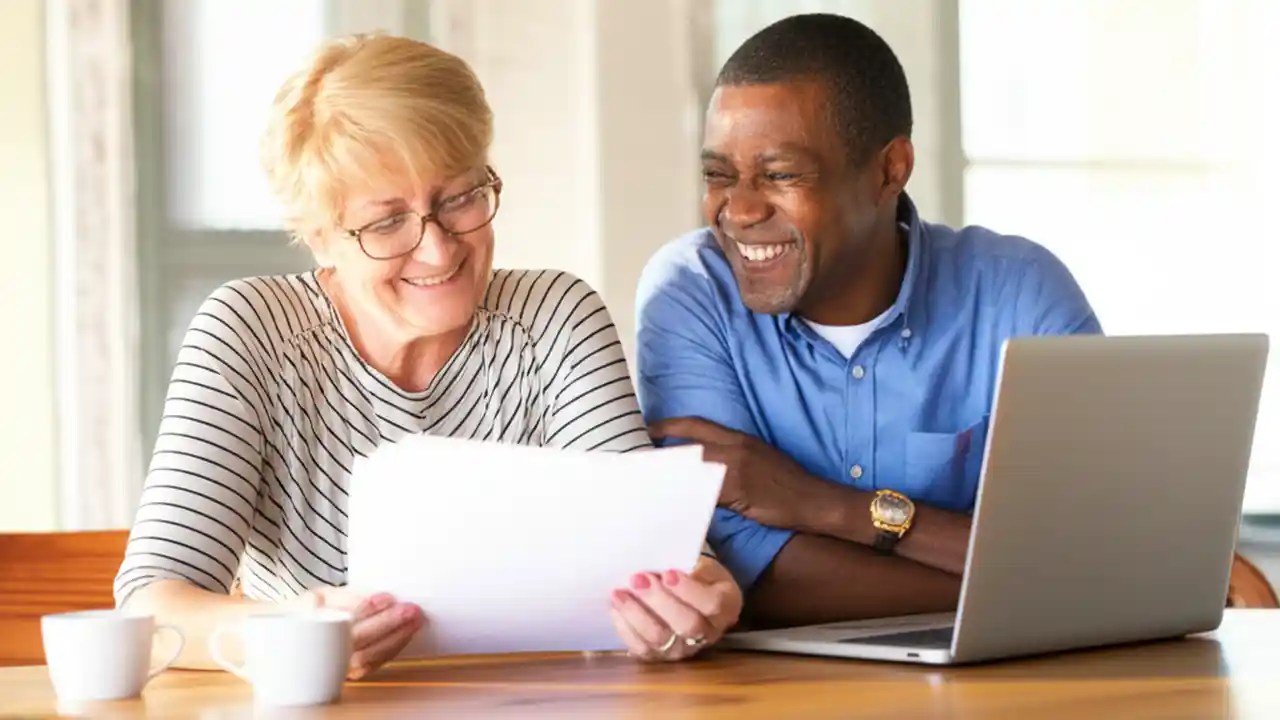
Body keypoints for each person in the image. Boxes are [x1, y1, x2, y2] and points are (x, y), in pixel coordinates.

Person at [114, 33, 741, 678]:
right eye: (387, 223)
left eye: (459, 198)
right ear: (321, 238)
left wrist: (699, 591)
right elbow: (151, 608)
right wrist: (292, 633)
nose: (439, 250)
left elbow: (654, 551)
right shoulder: (253, 332)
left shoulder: (555, 316)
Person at [636, 14, 1101, 629]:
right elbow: (750, 575)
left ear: (890, 170)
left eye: (779, 175)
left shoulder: (1018, 292)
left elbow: (1085, 551)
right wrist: (1025, 585)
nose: (739, 210)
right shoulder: (691, 294)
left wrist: (824, 507)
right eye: (719, 175)